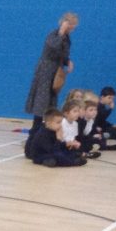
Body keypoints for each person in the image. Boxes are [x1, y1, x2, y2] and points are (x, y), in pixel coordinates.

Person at [24, 12, 78, 158]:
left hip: (55, 75)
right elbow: (53, 47)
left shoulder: (67, 38)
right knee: (40, 110)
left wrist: (67, 61)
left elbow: (62, 54)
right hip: (45, 74)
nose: (72, 27)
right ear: (64, 22)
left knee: (49, 111)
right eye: (71, 24)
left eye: (74, 25)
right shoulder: (54, 35)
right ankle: (30, 148)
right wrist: (61, 31)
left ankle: (44, 145)